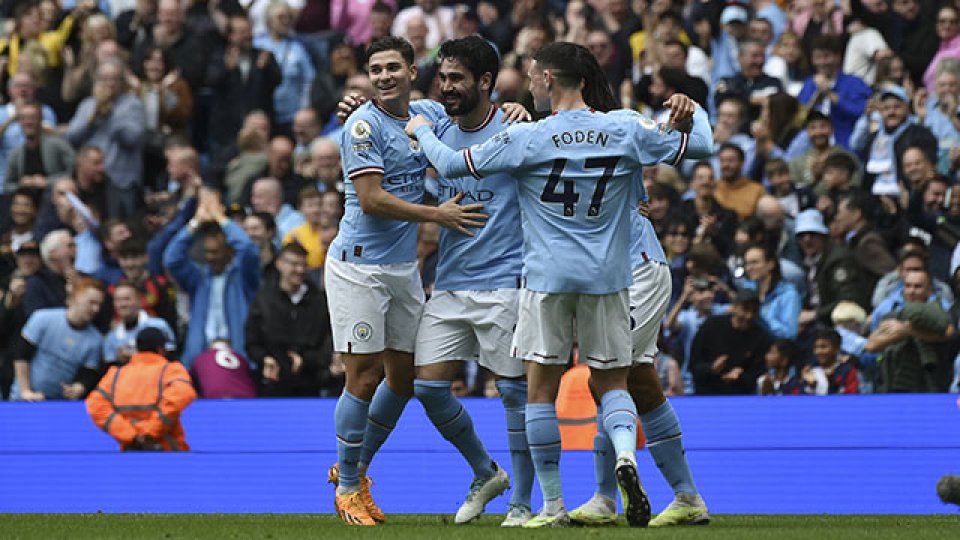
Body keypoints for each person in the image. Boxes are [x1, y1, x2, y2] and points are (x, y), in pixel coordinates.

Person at [408, 41, 711, 528]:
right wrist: (695, 110)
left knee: (547, 387)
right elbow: (701, 146)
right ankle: (628, 473)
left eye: (531, 75)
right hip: (609, 275)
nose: (527, 85)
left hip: (567, 274)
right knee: (618, 380)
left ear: (548, 79)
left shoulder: (530, 135)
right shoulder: (624, 126)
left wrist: (422, 129)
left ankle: (556, 503)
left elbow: (450, 164)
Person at [324, 36, 487, 527]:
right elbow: (371, 199)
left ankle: (354, 469)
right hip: (359, 267)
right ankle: (348, 489)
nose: (384, 76)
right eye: (376, 69)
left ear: (413, 72)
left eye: (393, 67)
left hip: (401, 270)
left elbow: (474, 120)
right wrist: (436, 215)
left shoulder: (428, 114)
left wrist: (515, 109)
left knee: (403, 379)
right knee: (363, 376)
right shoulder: (362, 125)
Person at [162, 193, 260, 368]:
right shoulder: (199, 278)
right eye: (207, 252)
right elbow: (171, 259)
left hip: (239, 356)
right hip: (200, 357)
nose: (210, 257)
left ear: (229, 250)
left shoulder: (243, 277)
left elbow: (247, 249)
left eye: (215, 252)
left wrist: (221, 218)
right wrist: (196, 222)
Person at [86, 326, 196, 451]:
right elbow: (183, 394)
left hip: (131, 450)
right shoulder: (171, 370)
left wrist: (130, 435)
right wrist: (150, 430)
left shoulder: (116, 374)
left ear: (137, 349)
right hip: (168, 450)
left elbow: (96, 405)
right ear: (161, 350)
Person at [245, 242, 331, 397]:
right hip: (272, 382)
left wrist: (305, 360)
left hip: (310, 384)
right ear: (279, 264)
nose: (299, 270)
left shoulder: (319, 301)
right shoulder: (264, 299)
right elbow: (252, 340)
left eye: (303, 265)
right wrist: (264, 359)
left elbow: (327, 343)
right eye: (294, 264)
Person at [11, 277, 104, 401]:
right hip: (24, 398)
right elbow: (21, 356)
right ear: (75, 298)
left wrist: (79, 387)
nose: (96, 309)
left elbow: (88, 374)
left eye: (99, 305)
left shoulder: (96, 340)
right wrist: (25, 391)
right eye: (91, 303)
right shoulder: (42, 318)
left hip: (59, 403)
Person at [689, 289, 772, 395]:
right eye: (745, 309)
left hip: (741, 396)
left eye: (754, 311)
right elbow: (694, 364)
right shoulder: (711, 326)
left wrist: (741, 376)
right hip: (707, 394)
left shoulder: (761, 337)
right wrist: (711, 368)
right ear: (734, 307)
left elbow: (759, 372)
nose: (749, 316)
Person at [102, 281, 176, 366]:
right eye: (118, 300)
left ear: (139, 301)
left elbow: (171, 358)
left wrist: (135, 356)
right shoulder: (111, 337)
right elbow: (110, 368)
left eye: (127, 299)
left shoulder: (159, 326)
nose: (122, 304)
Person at [742, 243, 802, 339]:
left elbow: (789, 334)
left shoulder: (788, 294)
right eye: (747, 264)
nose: (749, 268)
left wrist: (759, 318)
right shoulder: (747, 288)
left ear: (771, 264)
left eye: (754, 263)